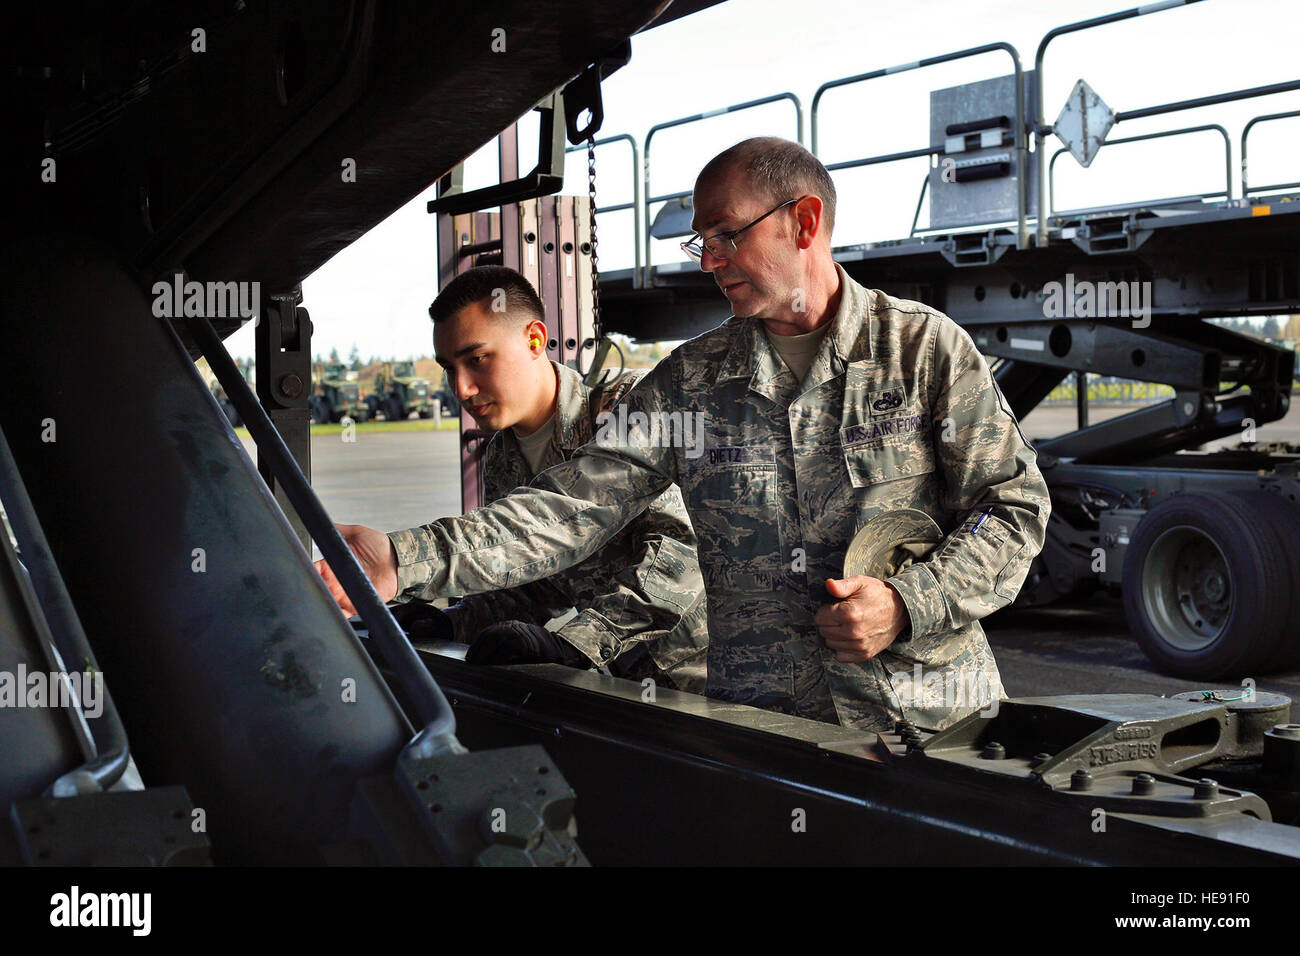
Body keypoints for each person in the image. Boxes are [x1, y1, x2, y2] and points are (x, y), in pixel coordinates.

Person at [317, 137, 1051, 731]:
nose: (710, 262)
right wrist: (404, 558)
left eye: (726, 234)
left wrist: (908, 603)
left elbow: (1012, 508)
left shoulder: (923, 351)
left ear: (805, 222)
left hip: (935, 726)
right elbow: (570, 507)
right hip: (767, 735)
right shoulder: (690, 385)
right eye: (701, 242)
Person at [359, 265, 708, 692]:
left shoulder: (624, 409)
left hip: (706, 686)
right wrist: (451, 623)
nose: (462, 389)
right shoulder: (502, 456)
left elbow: (681, 559)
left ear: (534, 340)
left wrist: (574, 645)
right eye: (449, 368)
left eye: (477, 359)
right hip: (621, 689)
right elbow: (533, 584)